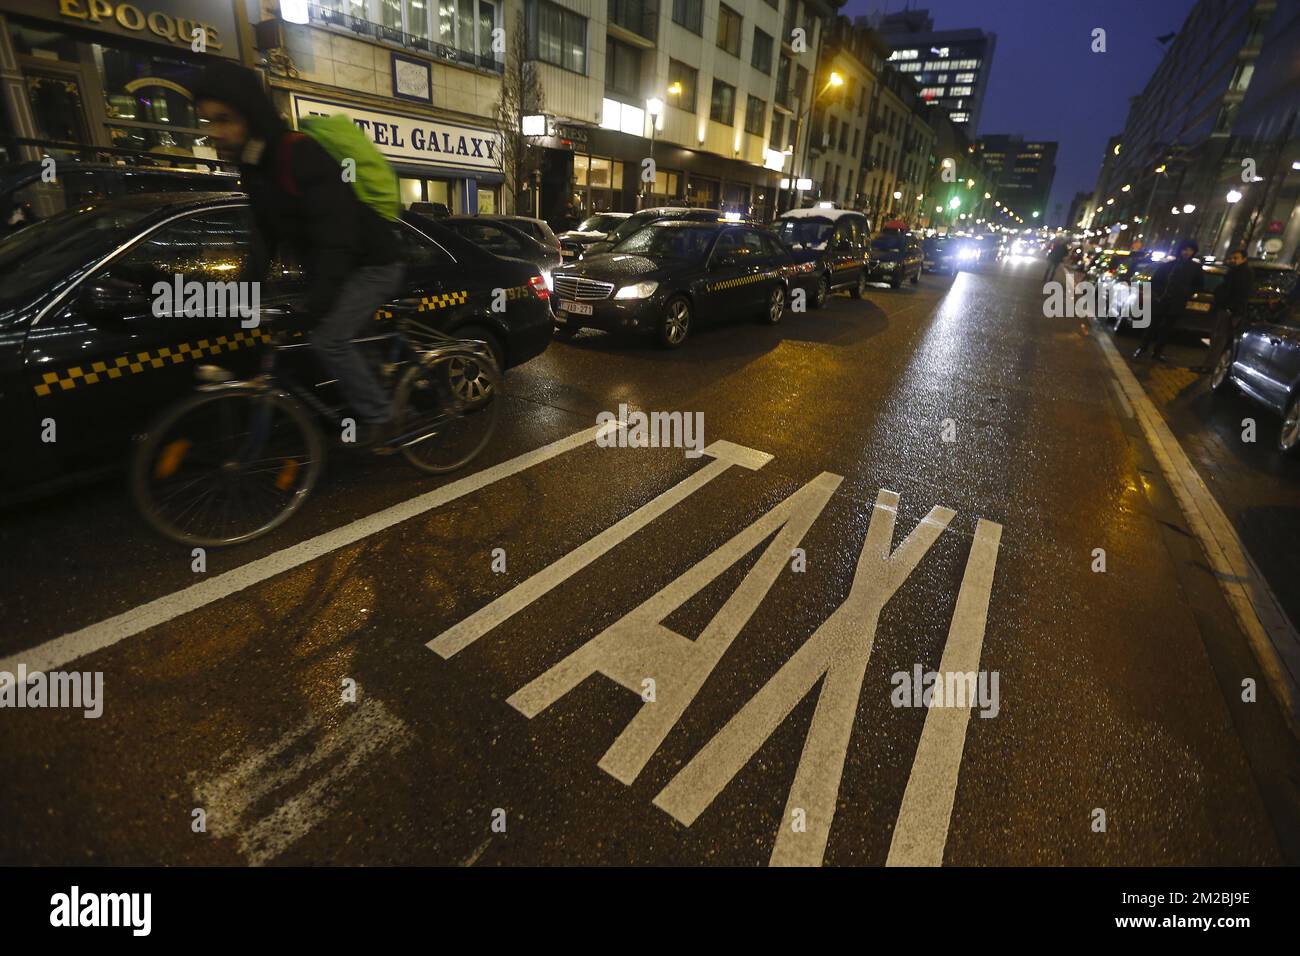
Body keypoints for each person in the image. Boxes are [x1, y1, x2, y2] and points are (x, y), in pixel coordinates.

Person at [191, 62, 404, 446]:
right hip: (343, 267)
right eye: (208, 122)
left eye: (224, 119)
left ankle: (382, 416)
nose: (214, 133)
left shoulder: (299, 154)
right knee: (338, 336)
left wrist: (319, 301)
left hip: (375, 263)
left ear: (250, 113)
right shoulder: (255, 166)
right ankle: (374, 384)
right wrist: (242, 298)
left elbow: (337, 234)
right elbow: (264, 241)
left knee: (328, 340)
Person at [1133, 238, 1203, 361]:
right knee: (1152, 327)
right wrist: (1159, 293)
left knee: (1167, 329)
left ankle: (1157, 352)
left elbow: (1199, 285)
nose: (1187, 252)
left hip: (1177, 302)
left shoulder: (1195, 268)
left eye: (1190, 250)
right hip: (1162, 300)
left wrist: (1186, 292)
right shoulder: (1169, 265)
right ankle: (1142, 348)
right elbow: (1155, 281)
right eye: (1185, 249)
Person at [1198, 248, 1253, 373]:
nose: (1233, 260)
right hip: (1226, 308)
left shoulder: (1243, 273)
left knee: (1220, 339)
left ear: (1244, 259)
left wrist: (1230, 308)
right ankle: (1208, 365)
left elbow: (1240, 293)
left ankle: (1210, 366)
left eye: (1236, 258)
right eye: (1233, 258)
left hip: (1230, 311)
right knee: (1216, 337)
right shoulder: (1236, 271)